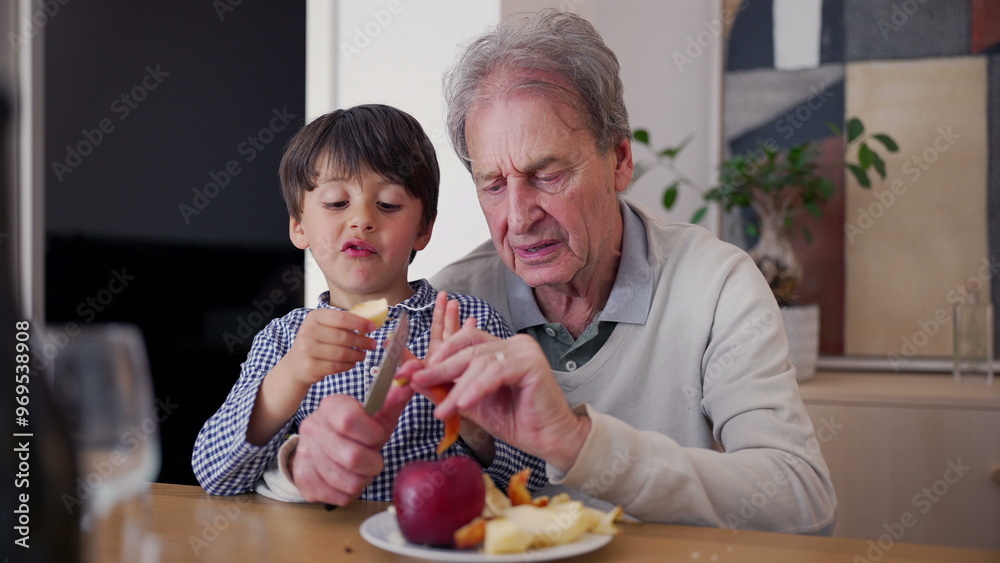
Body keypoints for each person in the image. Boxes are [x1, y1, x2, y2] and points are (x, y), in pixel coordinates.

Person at [400, 10, 837, 533]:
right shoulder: (451, 303)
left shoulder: (716, 284)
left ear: (620, 159)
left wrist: (580, 444)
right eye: (494, 185)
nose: (518, 218)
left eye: (547, 174)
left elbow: (802, 501)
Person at [191, 104, 545, 504]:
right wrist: (291, 376)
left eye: (389, 205)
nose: (362, 219)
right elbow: (214, 474)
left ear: (423, 230)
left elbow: (530, 479)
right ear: (298, 226)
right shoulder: (285, 340)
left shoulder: (468, 324)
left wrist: (467, 416)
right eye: (337, 203)